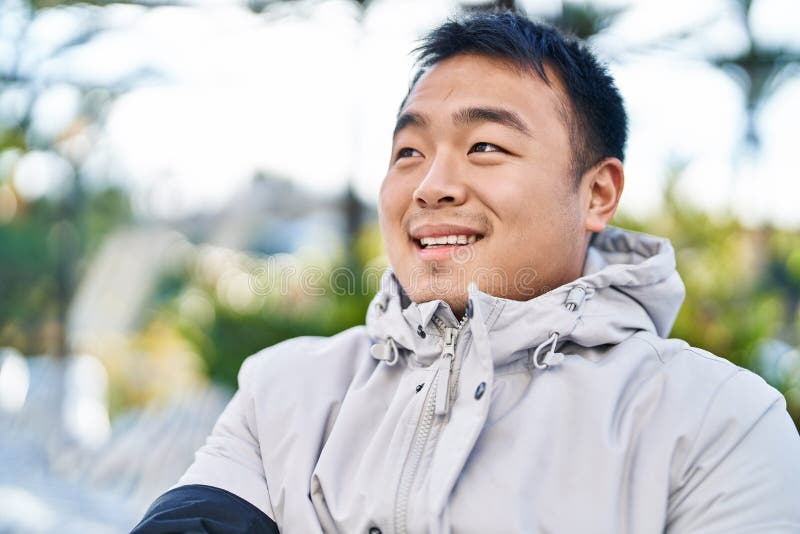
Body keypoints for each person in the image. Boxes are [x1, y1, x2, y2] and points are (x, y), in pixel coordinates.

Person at [132, 10, 800, 534]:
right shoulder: (284, 393)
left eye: (485, 146)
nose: (431, 186)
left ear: (597, 194)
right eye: (409, 151)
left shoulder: (717, 423)